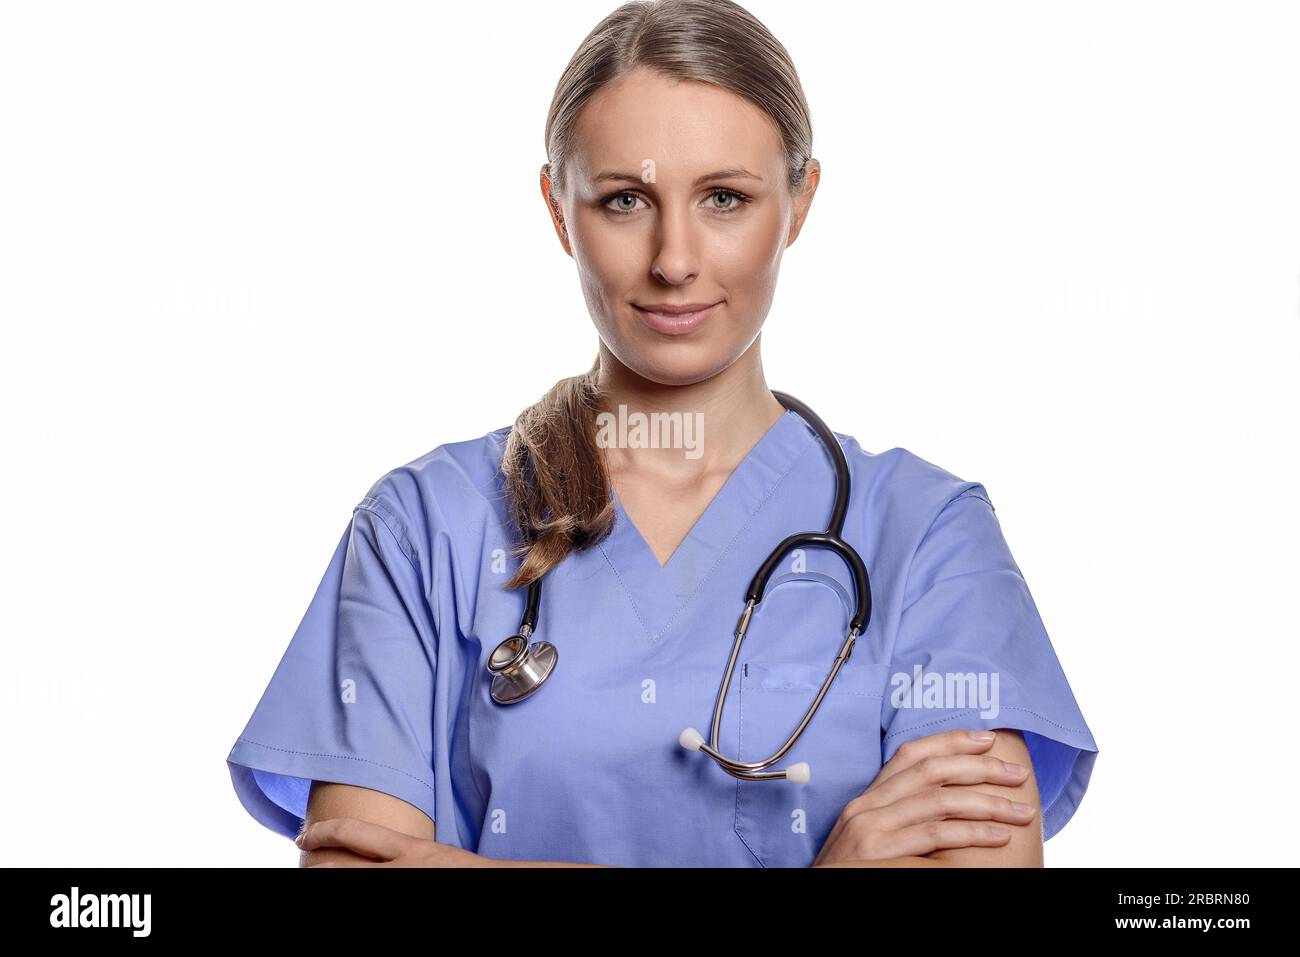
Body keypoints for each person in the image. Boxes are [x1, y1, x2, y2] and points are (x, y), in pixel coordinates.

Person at [226, 0, 1098, 868]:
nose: (674, 259)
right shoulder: (422, 529)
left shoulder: (930, 537)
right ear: (558, 211)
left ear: (799, 202)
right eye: (624, 200)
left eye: (725, 198)